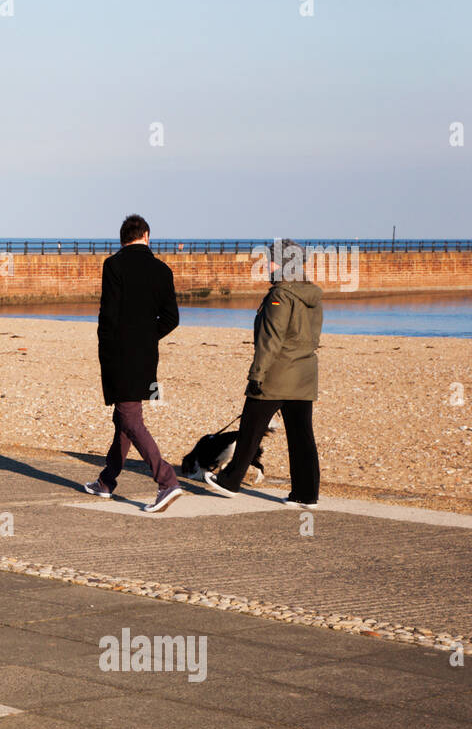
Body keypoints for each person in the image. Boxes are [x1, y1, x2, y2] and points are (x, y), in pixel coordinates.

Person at [205, 237, 322, 507]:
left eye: (272, 259)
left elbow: (271, 340)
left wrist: (256, 376)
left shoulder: (280, 296)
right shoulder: (313, 296)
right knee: (302, 435)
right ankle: (306, 494)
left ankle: (230, 481)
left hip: (277, 375)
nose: (267, 264)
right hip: (304, 375)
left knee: (250, 430)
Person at [83, 214, 184, 513]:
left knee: (130, 419)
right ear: (146, 235)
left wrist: (107, 350)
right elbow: (172, 318)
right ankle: (106, 482)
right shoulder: (162, 270)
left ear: (123, 238)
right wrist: (146, 336)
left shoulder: (113, 265)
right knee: (124, 419)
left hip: (120, 354)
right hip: (147, 355)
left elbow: (108, 316)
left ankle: (167, 481)